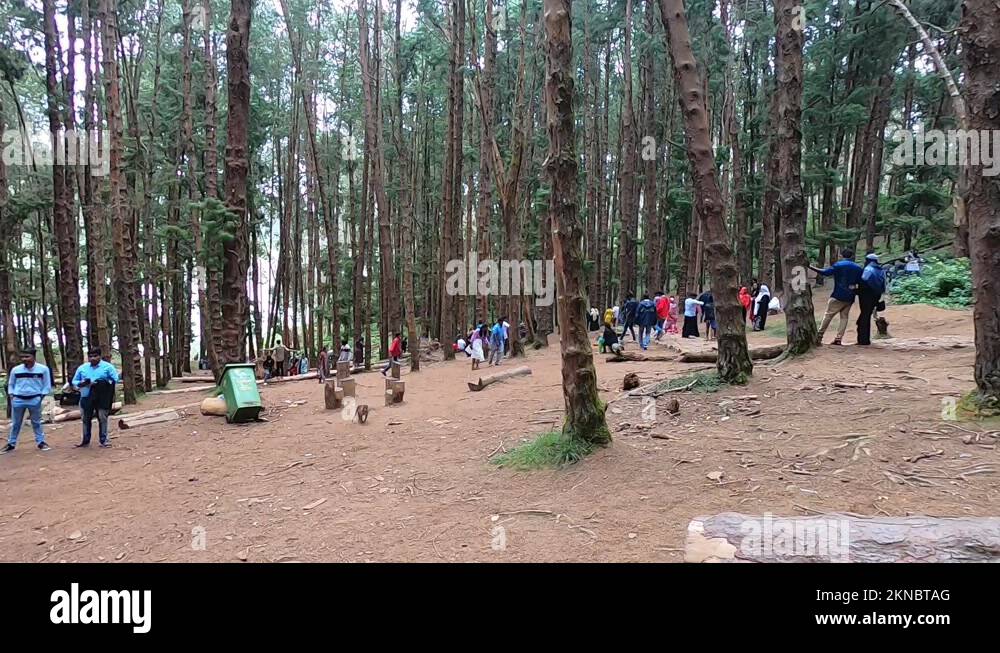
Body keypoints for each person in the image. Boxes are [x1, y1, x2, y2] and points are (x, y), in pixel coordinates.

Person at [2, 348, 53, 454]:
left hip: (35, 399)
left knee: (36, 422)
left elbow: (47, 385)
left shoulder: (43, 369)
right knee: (16, 423)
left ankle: (41, 442)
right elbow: (11, 384)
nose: (24, 359)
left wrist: (40, 397)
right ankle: (11, 443)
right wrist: (12, 395)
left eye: (27, 357)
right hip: (18, 399)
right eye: (22, 357)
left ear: (33, 357)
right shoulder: (16, 370)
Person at [810, 248, 863, 345]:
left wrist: (810, 267)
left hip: (837, 295)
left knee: (828, 315)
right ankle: (839, 338)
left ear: (841, 256)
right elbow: (861, 282)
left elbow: (825, 272)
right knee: (844, 317)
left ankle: (819, 336)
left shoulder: (838, 265)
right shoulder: (858, 268)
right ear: (852, 256)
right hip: (850, 296)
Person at [71, 348, 119, 448]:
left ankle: (104, 440)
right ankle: (85, 440)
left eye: (95, 356)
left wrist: (102, 382)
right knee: (85, 418)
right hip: (86, 395)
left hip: (102, 397)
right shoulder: (82, 368)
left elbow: (115, 379)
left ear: (100, 356)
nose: (92, 358)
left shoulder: (108, 367)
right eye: (90, 356)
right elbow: (74, 381)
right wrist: (83, 383)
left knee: (102, 417)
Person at [857, 253, 886, 346]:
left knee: (864, 316)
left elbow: (863, 280)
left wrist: (856, 290)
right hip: (876, 296)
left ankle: (863, 340)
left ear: (868, 260)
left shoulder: (868, 269)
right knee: (866, 315)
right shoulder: (881, 270)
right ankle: (864, 339)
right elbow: (884, 286)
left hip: (866, 296)